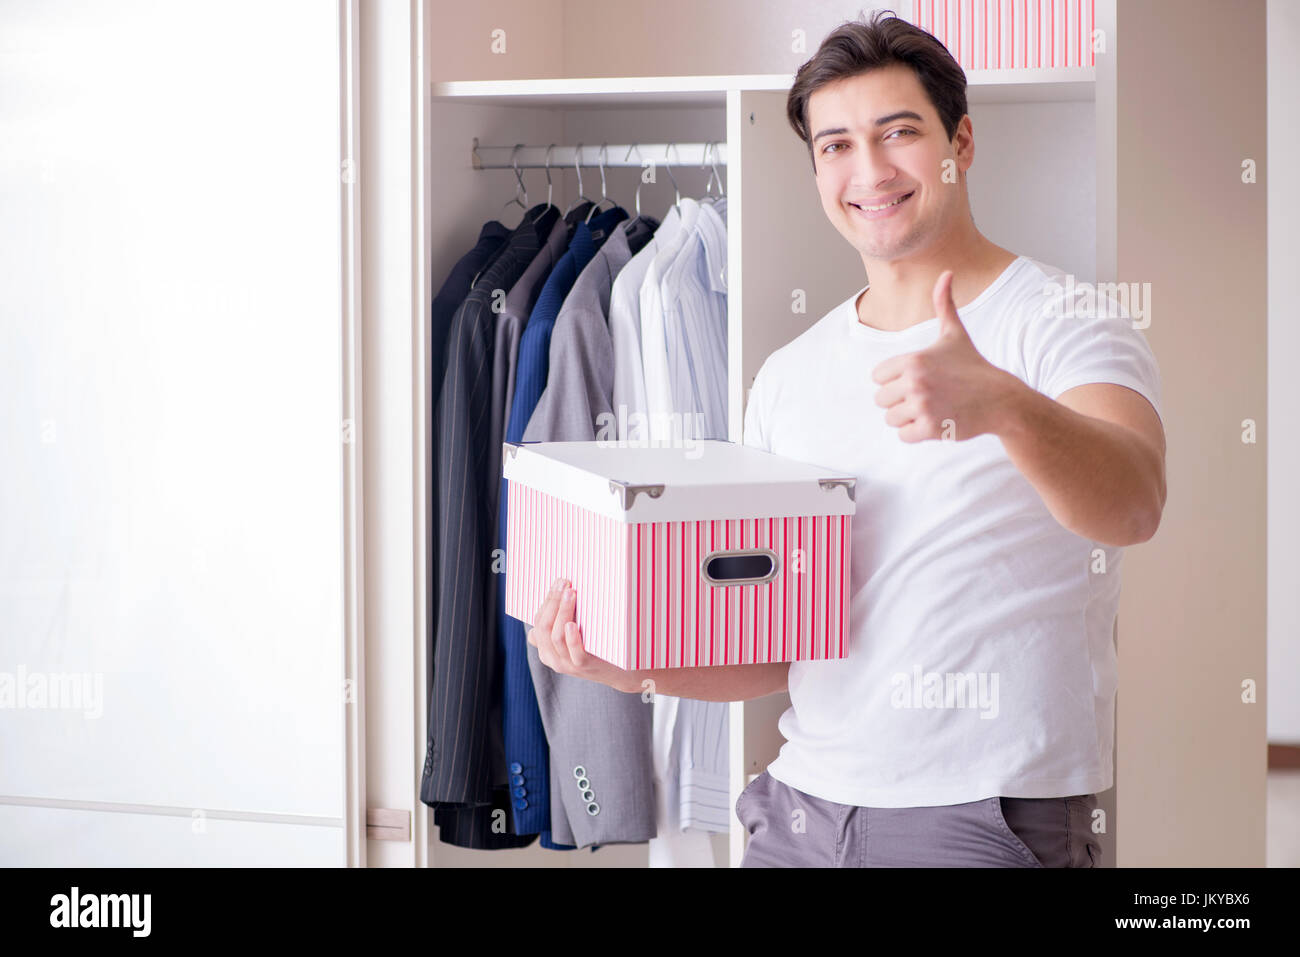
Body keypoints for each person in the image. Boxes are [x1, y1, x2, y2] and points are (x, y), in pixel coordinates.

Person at [527, 10, 1166, 867]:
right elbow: (783, 649)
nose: (869, 170)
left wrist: (1004, 406)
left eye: (898, 133)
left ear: (960, 142)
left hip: (977, 817)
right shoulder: (789, 374)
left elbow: (1135, 503)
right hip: (799, 811)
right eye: (836, 145)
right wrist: (625, 665)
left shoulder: (1063, 320)